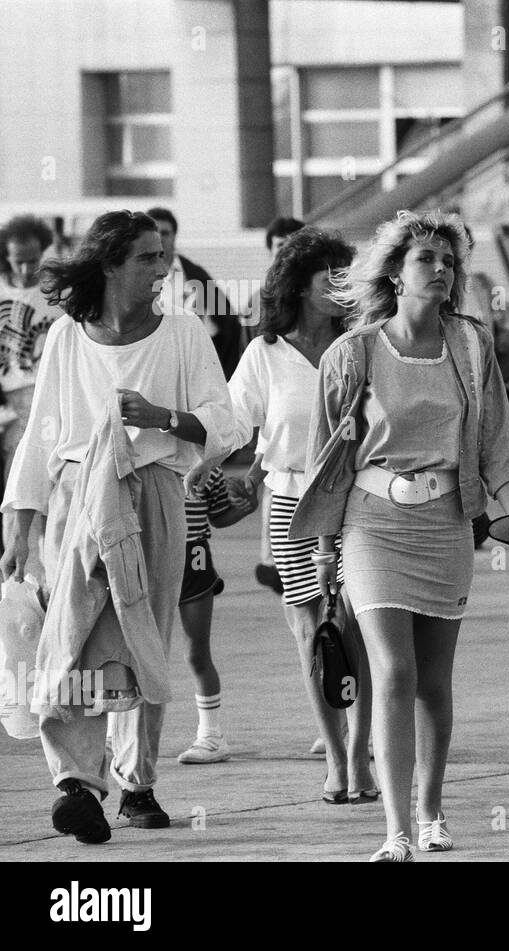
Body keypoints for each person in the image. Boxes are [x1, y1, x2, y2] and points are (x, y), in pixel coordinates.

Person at [290, 209, 509, 862]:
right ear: (395, 272)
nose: (441, 269)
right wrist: (323, 548)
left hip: (447, 524)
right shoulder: (353, 353)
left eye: (449, 260)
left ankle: (431, 810)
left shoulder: (472, 345)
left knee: (433, 682)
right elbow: (324, 460)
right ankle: (395, 830)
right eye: (426, 258)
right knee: (394, 671)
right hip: (373, 524)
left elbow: (497, 449)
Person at [0, 209, 238, 843]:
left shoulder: (183, 332)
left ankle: (137, 784)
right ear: (108, 265)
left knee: (142, 635)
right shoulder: (66, 337)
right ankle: (77, 783)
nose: (162, 267)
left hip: (154, 492)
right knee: (71, 634)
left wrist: (164, 417)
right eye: (146, 257)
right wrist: (18, 526)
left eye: (163, 255)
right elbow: (39, 435)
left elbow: (227, 421)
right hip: (76, 496)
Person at [225, 226, 375, 802]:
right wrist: (214, 465)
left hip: (359, 500)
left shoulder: (364, 344)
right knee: (313, 632)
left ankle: (361, 756)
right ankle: (335, 760)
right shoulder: (264, 354)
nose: (341, 287)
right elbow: (234, 424)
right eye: (329, 278)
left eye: (346, 277)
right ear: (299, 286)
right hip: (290, 502)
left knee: (358, 627)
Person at [175, 464, 257, 764]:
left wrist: (245, 507)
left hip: (193, 557)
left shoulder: (207, 465)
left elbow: (218, 515)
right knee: (136, 651)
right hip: (149, 553)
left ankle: (211, 736)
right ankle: (114, 733)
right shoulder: (138, 455)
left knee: (197, 653)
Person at [251, 217, 304, 598]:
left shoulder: (326, 298)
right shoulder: (261, 301)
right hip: (274, 406)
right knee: (274, 477)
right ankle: (272, 560)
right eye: (280, 248)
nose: (286, 255)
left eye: (293, 247)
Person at [0, 215, 62, 481]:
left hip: (47, 390)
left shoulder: (59, 291)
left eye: (33, 260)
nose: (26, 269)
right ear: (7, 256)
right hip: (8, 394)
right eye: (19, 261)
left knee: (38, 465)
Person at [146, 207, 243, 379]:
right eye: (155, 233)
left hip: (192, 366)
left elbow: (226, 324)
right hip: (152, 362)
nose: (160, 238)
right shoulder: (139, 275)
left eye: (165, 233)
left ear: (174, 236)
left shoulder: (195, 275)